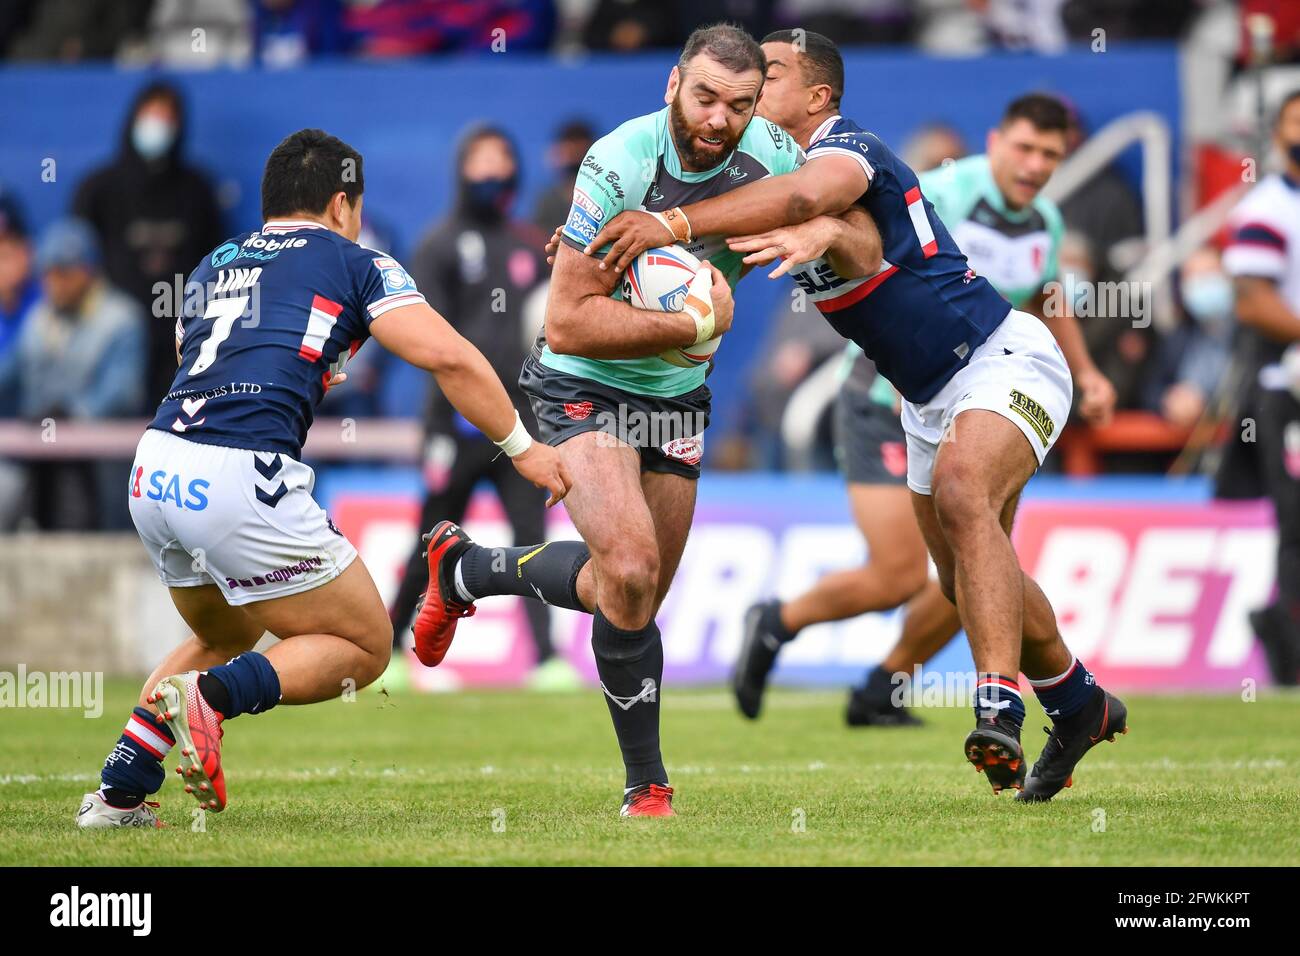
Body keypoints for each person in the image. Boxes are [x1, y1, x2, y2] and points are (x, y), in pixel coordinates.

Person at [588, 30, 1128, 800]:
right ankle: (1077, 701)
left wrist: (689, 226)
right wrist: (597, 243)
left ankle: (998, 706)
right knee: (957, 579)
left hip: (1001, 356)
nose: (746, 92)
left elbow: (831, 213)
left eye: (766, 77)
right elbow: (833, 231)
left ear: (817, 98)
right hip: (923, 396)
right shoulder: (764, 176)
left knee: (965, 496)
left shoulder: (850, 146)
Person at [410, 23, 877, 818]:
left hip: (678, 398)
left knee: (635, 595)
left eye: (738, 103)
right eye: (704, 97)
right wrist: (690, 325)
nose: (719, 118)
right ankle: (647, 785)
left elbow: (866, 249)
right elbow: (565, 323)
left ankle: (470, 571)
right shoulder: (618, 163)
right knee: (625, 567)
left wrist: (822, 227)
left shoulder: (775, 157)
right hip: (581, 385)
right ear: (672, 85)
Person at [75, 129, 569, 829]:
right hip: (239, 471)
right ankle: (210, 701)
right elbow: (451, 360)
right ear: (342, 203)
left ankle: (119, 795)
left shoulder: (219, 259)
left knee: (224, 634)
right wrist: (521, 446)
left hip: (156, 468)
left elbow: (204, 353)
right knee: (365, 648)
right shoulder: (353, 260)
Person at [736, 93, 1117, 729]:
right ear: (994, 142)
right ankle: (779, 622)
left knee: (975, 554)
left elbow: (1049, 296)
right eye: (1024, 148)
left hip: (983, 390)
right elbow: (858, 242)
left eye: (1051, 155)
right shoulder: (945, 190)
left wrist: (1088, 372)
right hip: (887, 395)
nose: (1034, 165)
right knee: (899, 574)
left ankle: (887, 685)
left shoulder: (1046, 221)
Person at [388, 124, 579, 690]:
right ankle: (395, 647)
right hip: (456, 423)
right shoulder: (440, 243)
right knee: (430, 535)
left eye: (502, 158)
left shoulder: (529, 244)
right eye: (480, 160)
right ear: (460, 169)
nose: (492, 171)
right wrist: (439, 423)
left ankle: (546, 659)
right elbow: (432, 343)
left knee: (532, 539)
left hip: (520, 423)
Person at [1214, 89, 1300, 686]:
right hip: (1287, 386)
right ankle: (1289, 646)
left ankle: (1274, 620)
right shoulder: (1268, 205)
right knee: (1296, 526)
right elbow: (1253, 301)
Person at [74, 80, 226, 411]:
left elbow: (218, 268)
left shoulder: (198, 191)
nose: (156, 126)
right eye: (150, 115)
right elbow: (76, 259)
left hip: (179, 334)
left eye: (166, 118)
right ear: (134, 119)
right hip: (109, 336)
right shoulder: (98, 189)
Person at [0, 219, 145, 531]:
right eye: (49, 274)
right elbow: (10, 373)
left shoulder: (121, 319)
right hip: (38, 459)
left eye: (64, 273)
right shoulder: (40, 317)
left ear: (87, 271)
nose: (55, 283)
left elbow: (123, 391)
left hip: (98, 463)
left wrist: (72, 412)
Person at [531, 119, 596, 237]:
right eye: (571, 147)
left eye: (580, 148)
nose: (576, 153)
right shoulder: (547, 201)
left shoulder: (603, 199)